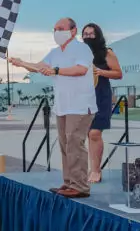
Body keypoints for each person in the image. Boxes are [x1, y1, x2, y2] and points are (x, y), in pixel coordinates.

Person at [10, 17, 97, 198]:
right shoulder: (54, 52)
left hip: (80, 105)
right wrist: (22, 63)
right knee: (65, 145)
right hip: (63, 106)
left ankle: (80, 186)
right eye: (55, 29)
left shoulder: (82, 49)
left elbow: (80, 70)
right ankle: (69, 183)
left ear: (73, 31)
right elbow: (39, 67)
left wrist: (56, 71)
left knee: (75, 144)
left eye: (61, 28)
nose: (57, 32)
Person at [82, 23, 123, 183]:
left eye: (91, 34)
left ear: (98, 35)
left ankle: (96, 170)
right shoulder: (79, 54)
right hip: (82, 97)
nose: (87, 37)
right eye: (85, 34)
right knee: (85, 134)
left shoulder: (107, 52)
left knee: (95, 133)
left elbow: (118, 74)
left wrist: (100, 72)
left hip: (101, 96)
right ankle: (86, 169)